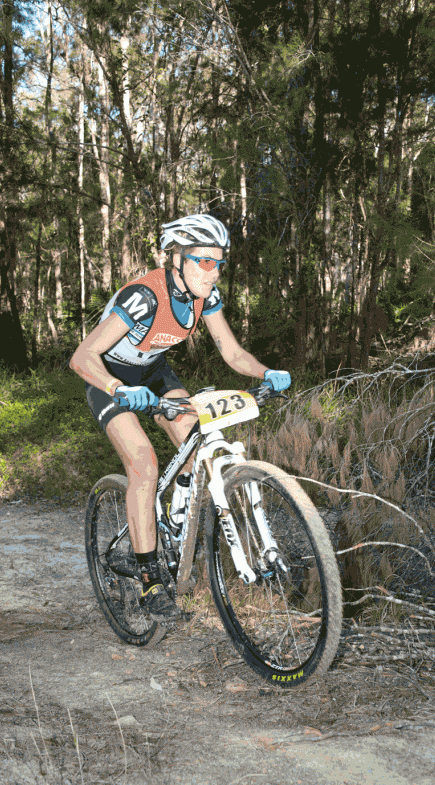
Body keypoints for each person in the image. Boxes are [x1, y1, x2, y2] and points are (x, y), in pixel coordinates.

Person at [70, 214, 291, 622]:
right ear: (178, 259)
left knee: (198, 442)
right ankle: (151, 576)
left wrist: (265, 372)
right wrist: (119, 390)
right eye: (204, 261)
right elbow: (82, 356)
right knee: (144, 465)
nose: (214, 271)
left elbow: (231, 351)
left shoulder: (205, 296)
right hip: (109, 380)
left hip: (154, 373)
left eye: (219, 262)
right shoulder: (144, 296)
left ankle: (173, 524)